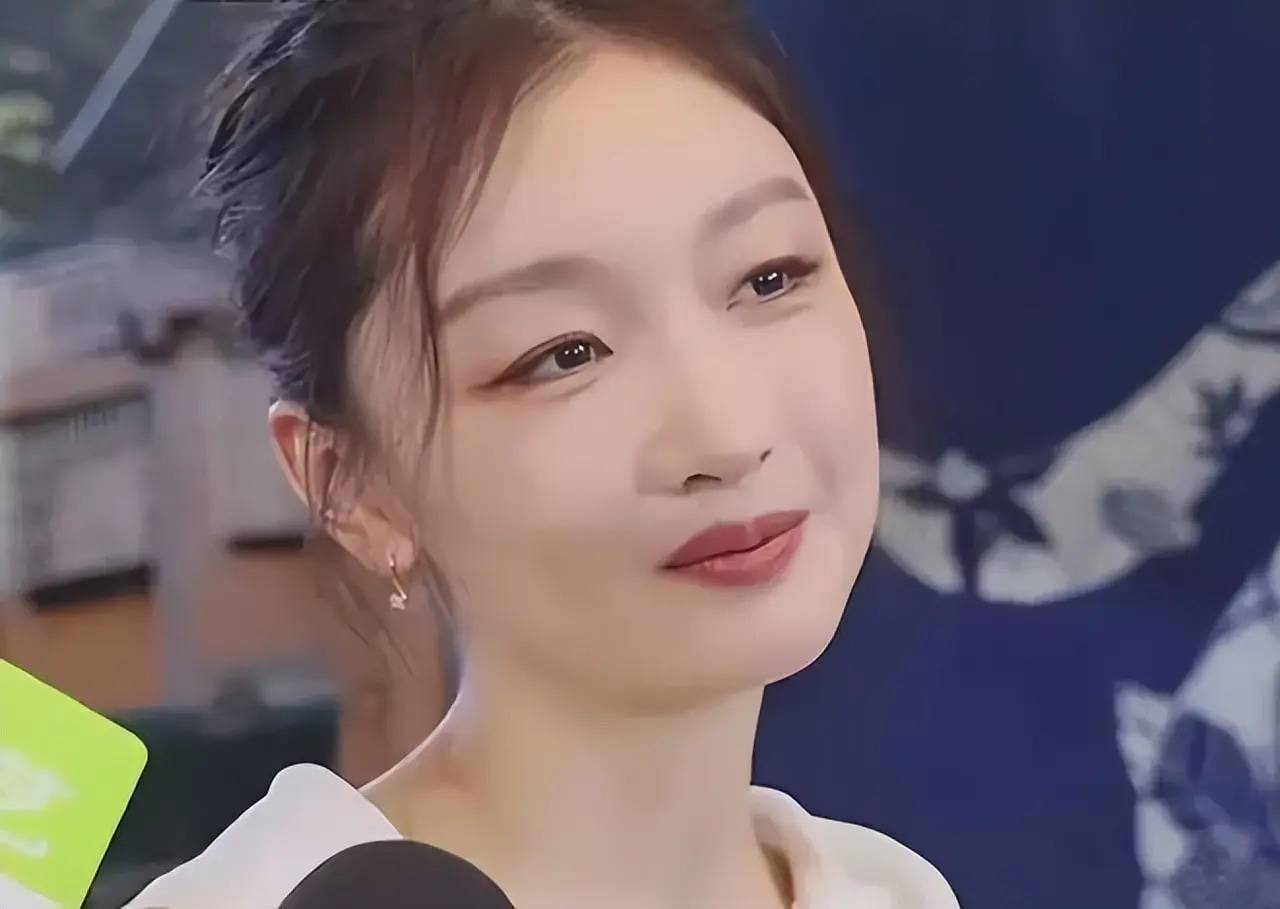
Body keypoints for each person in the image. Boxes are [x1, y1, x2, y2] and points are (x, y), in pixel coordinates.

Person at [127, 1, 958, 906]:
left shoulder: (890, 890)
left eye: (769, 277)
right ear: (349, 485)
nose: (726, 435)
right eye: (565, 354)